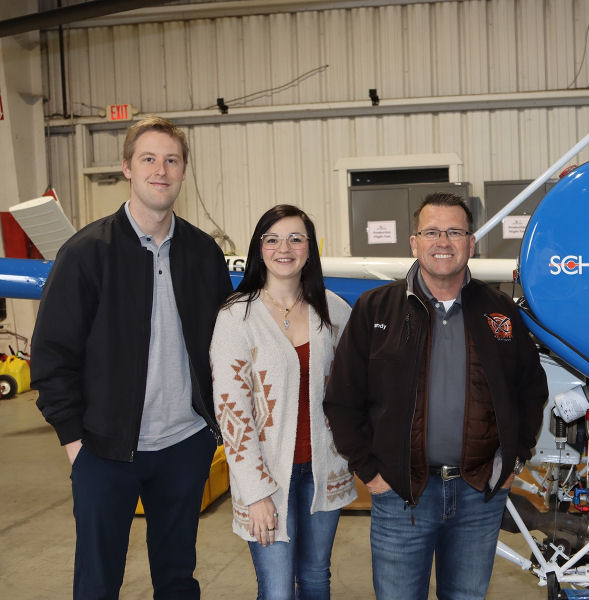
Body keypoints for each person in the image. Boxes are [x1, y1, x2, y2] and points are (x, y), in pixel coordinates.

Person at [31, 116, 234, 599]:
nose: (160, 170)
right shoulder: (85, 253)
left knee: (177, 578)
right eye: (149, 159)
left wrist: (212, 431)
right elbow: (52, 354)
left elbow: (225, 345)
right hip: (104, 451)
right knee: (98, 583)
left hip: (184, 447)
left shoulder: (204, 254)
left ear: (183, 172)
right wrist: (74, 442)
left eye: (172, 160)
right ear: (127, 167)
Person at [323, 192, 548, 599]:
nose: (442, 241)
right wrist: (371, 474)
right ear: (414, 242)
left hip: (478, 493)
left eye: (454, 231)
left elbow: (530, 390)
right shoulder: (377, 309)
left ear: (471, 243)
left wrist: (512, 459)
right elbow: (341, 398)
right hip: (401, 494)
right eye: (431, 232)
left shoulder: (499, 311)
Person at [211, 204, 357, 600]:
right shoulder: (236, 317)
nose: (284, 248)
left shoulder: (335, 312)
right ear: (260, 249)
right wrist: (256, 493)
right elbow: (232, 412)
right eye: (272, 239)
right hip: (267, 477)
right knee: (277, 591)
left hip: (324, 473)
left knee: (315, 580)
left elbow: (354, 392)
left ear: (310, 248)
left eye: (296, 238)